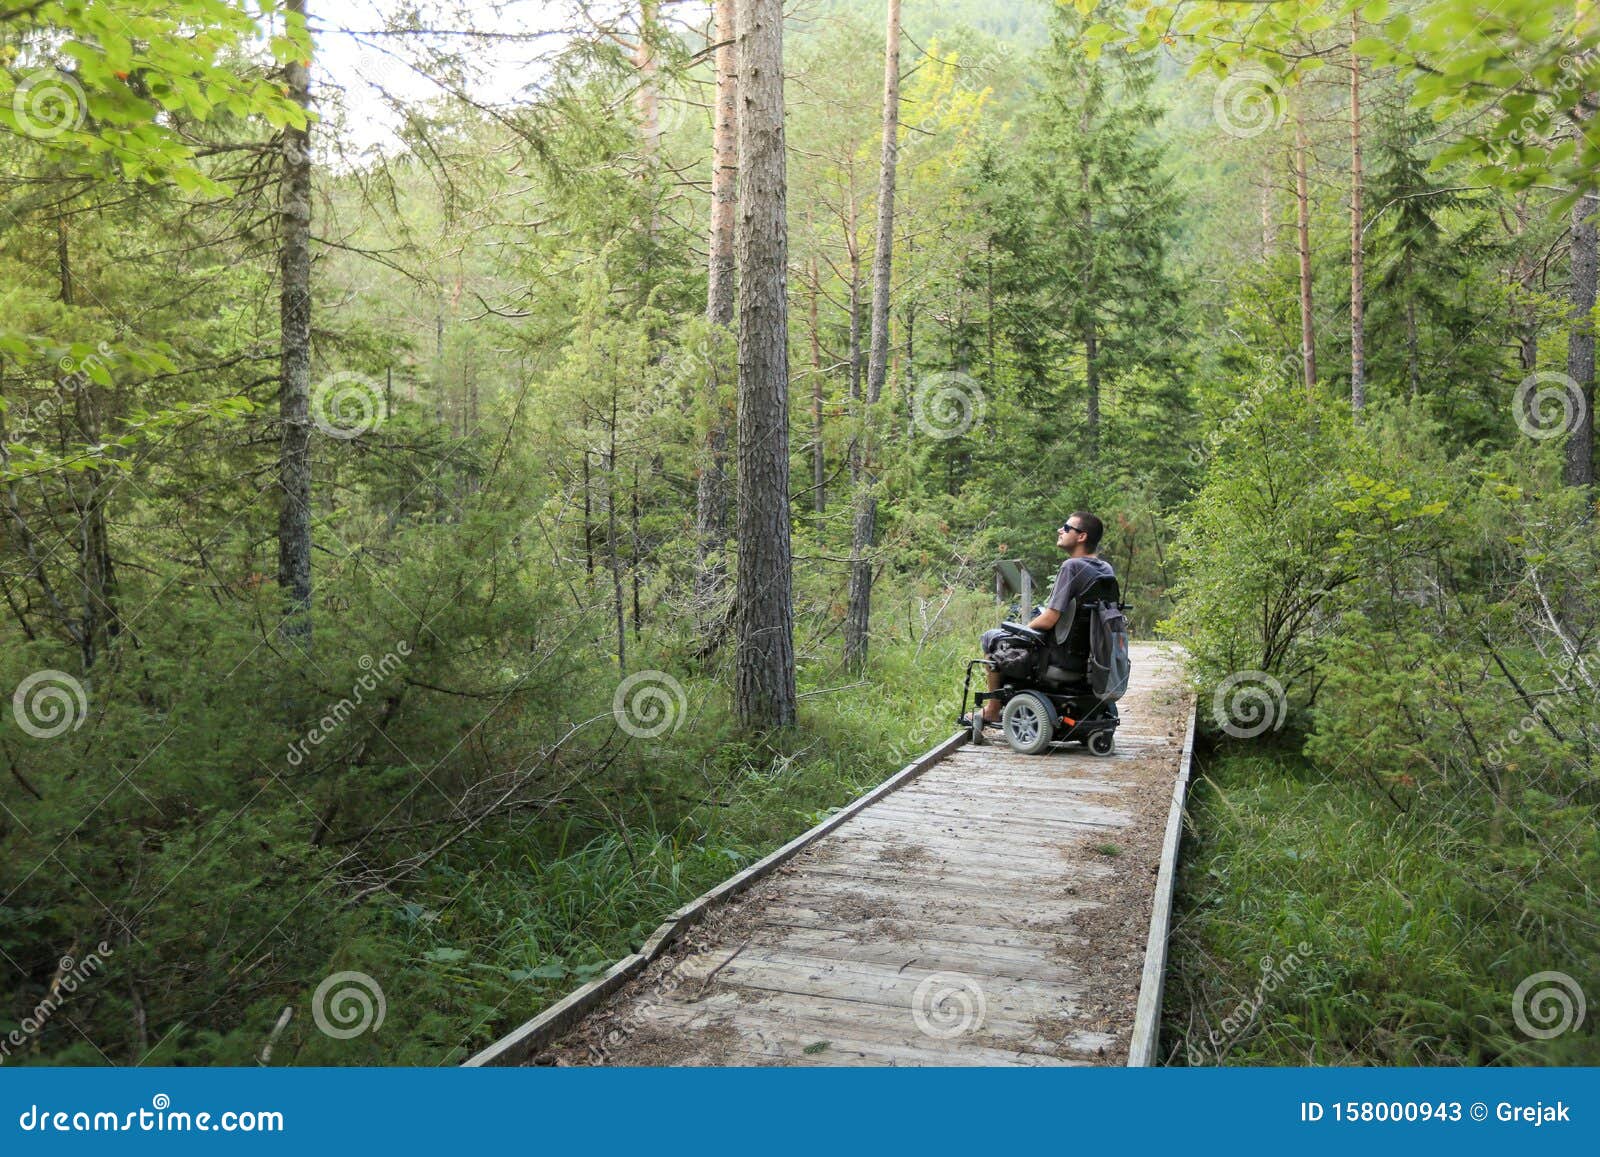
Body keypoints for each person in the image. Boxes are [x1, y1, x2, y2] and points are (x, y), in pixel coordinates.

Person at [965, 511, 1114, 728]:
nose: (1060, 530)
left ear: (1081, 537)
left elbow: (1049, 619)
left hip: (1057, 658)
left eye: (1066, 527)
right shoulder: (1105, 570)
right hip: (1090, 660)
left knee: (993, 637)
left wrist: (1020, 631)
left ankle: (993, 710)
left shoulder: (1071, 567)